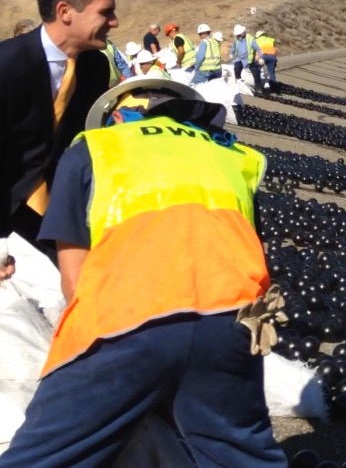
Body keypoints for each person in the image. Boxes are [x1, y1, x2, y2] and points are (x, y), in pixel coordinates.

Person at [0, 77, 287, 467]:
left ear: (114, 115)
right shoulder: (234, 154)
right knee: (235, 452)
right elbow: (256, 250)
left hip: (125, 320)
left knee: (47, 455)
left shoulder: (95, 149)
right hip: (231, 319)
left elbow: (74, 278)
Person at [0, 0, 114, 270]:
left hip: (63, 206)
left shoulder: (94, 67)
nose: (114, 22)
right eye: (105, 12)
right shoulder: (6, 65)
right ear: (65, 11)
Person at [230, 24, 263, 90]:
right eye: (237, 35)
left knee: (256, 72)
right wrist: (231, 53)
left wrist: (259, 56)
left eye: (239, 35)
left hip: (249, 60)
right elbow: (233, 47)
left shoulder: (251, 39)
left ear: (243, 33)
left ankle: (258, 86)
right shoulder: (237, 40)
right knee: (236, 68)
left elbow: (258, 49)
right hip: (240, 59)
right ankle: (238, 80)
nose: (238, 36)